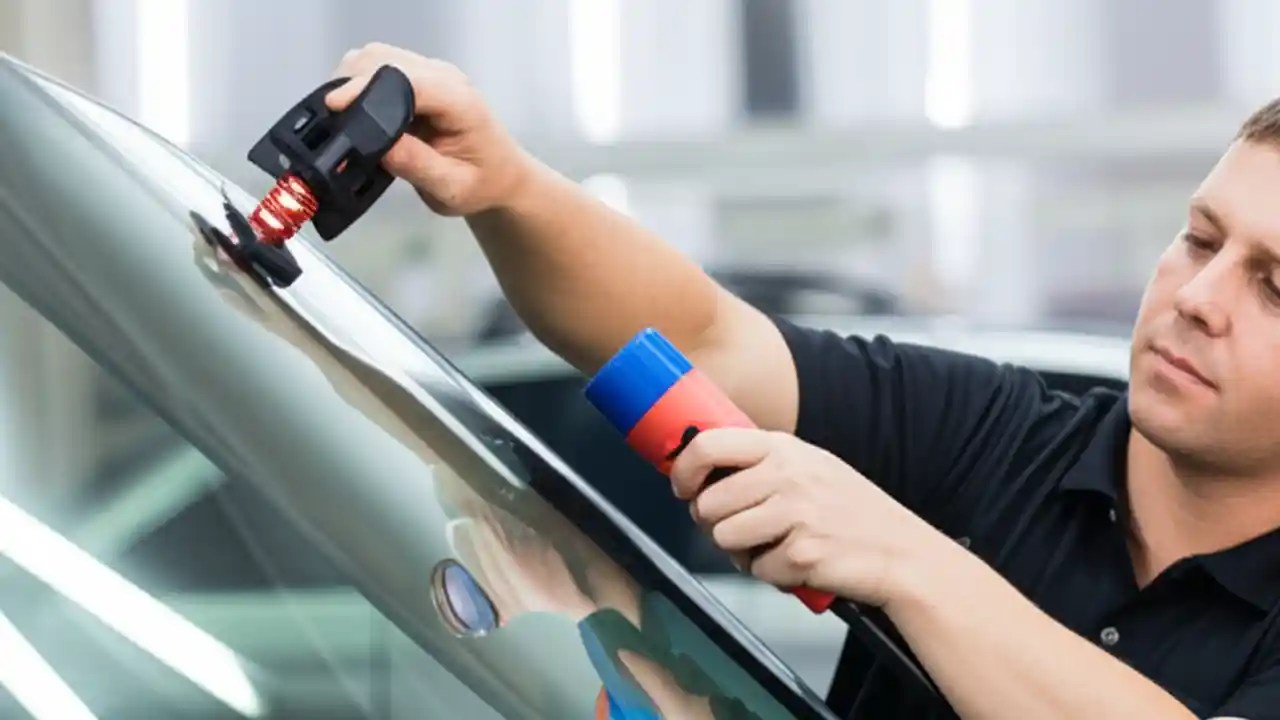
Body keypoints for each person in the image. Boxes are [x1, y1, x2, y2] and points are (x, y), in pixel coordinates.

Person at [323, 43, 1280, 719]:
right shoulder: (1000, 433)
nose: (1197, 296)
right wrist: (507, 186)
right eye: (1198, 237)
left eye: (1273, 287)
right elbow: (696, 336)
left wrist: (907, 563)